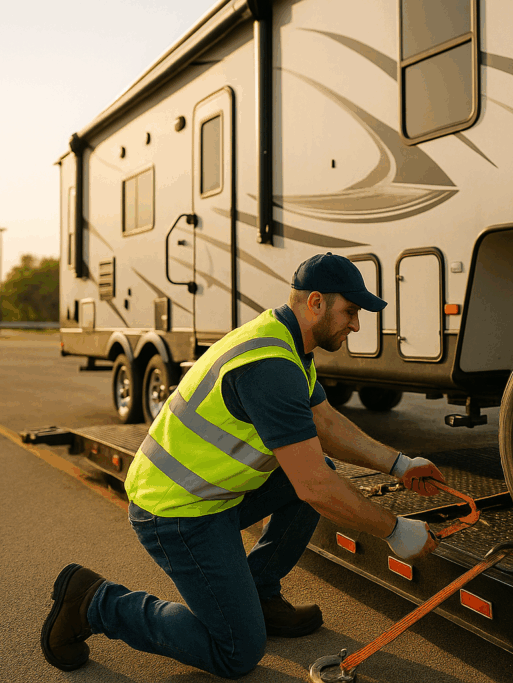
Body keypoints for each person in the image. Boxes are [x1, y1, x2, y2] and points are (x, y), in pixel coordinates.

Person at [40, 252, 447, 678]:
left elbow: (325, 421)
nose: (356, 324)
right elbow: (315, 486)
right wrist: (393, 530)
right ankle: (94, 602)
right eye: (350, 311)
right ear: (315, 303)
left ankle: (257, 591)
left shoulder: (287, 343)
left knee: (313, 467)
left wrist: (400, 464)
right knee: (236, 651)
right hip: (176, 510)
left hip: (211, 496)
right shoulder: (270, 367)